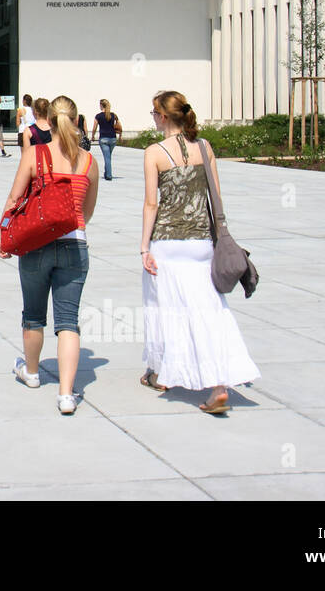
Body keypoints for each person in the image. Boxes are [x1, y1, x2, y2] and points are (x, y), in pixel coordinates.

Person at [140, 90, 259, 415]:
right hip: (202, 243)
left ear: (163, 117)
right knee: (209, 311)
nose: (152, 118)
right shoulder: (204, 148)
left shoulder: (154, 153)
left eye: (154, 113)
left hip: (166, 243)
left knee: (166, 309)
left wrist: (143, 247)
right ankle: (219, 383)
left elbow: (152, 203)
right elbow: (216, 196)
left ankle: (163, 374)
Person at [0, 95, 98, 415]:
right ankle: (67, 394)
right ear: (76, 120)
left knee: (33, 314)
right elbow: (87, 211)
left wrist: (4, 235)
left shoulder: (35, 154)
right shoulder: (87, 161)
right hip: (75, 245)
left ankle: (31, 372)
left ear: (49, 122)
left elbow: (15, 198)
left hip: (36, 243)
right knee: (68, 321)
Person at [94, 98, 122, 180]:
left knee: (107, 157)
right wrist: (120, 135)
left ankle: (109, 175)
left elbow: (95, 127)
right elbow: (119, 125)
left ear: (101, 105)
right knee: (108, 156)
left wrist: (92, 135)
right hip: (113, 138)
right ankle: (107, 173)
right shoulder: (113, 115)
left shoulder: (98, 116)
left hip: (103, 138)